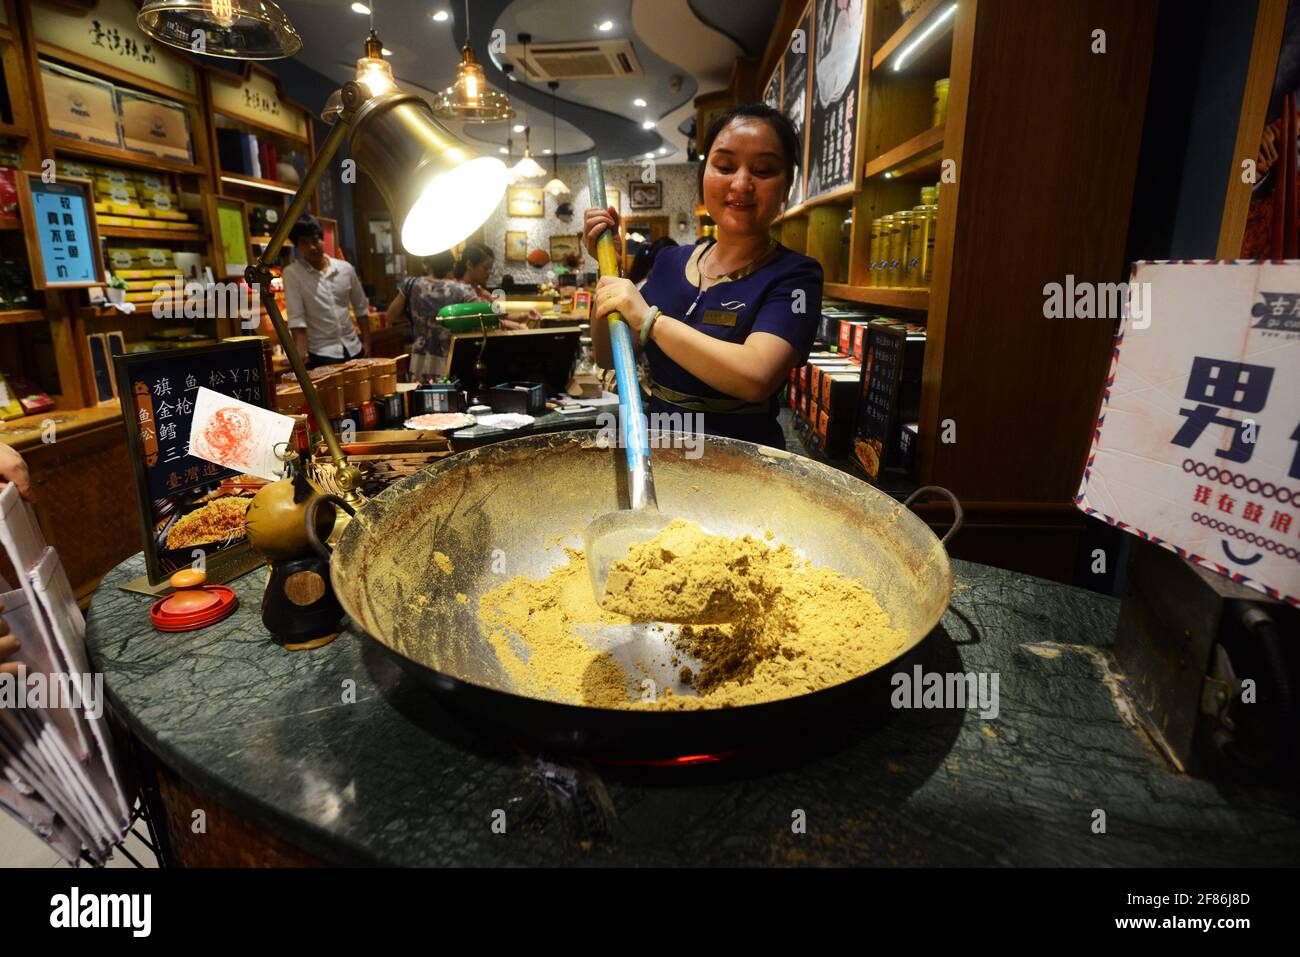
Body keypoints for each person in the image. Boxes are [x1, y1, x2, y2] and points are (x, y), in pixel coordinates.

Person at [584, 103, 823, 450]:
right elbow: (608, 357)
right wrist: (609, 274)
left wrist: (649, 319)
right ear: (703, 175)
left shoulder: (796, 277)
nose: (741, 183)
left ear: (787, 187)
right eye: (725, 166)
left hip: (742, 464)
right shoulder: (668, 261)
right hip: (657, 452)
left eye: (764, 169)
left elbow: (756, 377)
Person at [282, 215, 371, 368]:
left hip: (354, 348)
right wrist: (300, 353)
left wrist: (367, 342)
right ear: (297, 247)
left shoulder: (345, 269)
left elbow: (361, 308)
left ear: (323, 240)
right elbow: (297, 318)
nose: (312, 247)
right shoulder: (292, 273)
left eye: (315, 240)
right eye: (304, 243)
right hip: (321, 354)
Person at [387, 251, 479, 380]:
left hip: (421, 360)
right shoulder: (463, 290)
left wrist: (416, 316)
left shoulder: (411, 284)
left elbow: (390, 316)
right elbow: (483, 318)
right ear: (452, 265)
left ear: (427, 265)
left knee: (422, 397)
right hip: (451, 358)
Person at [456, 241, 541, 327]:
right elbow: (474, 324)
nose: (489, 272)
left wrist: (526, 315)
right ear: (469, 264)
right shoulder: (458, 291)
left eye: (490, 268)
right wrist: (505, 324)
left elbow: (503, 315)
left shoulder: (482, 292)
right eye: (485, 268)